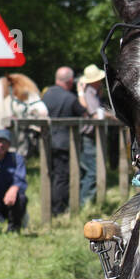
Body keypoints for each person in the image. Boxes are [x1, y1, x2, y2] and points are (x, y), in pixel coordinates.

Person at [43, 67, 87, 216]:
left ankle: (49, 206)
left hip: (46, 141)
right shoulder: (70, 98)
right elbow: (85, 112)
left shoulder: (46, 94)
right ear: (69, 81)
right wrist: (80, 92)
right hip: (63, 143)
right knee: (62, 177)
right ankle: (58, 210)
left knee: (50, 174)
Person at [76, 64, 110, 204]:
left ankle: (85, 202)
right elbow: (96, 114)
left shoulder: (93, 93)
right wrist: (113, 116)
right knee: (93, 171)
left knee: (90, 170)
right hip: (88, 137)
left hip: (90, 137)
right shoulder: (89, 93)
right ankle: (85, 203)